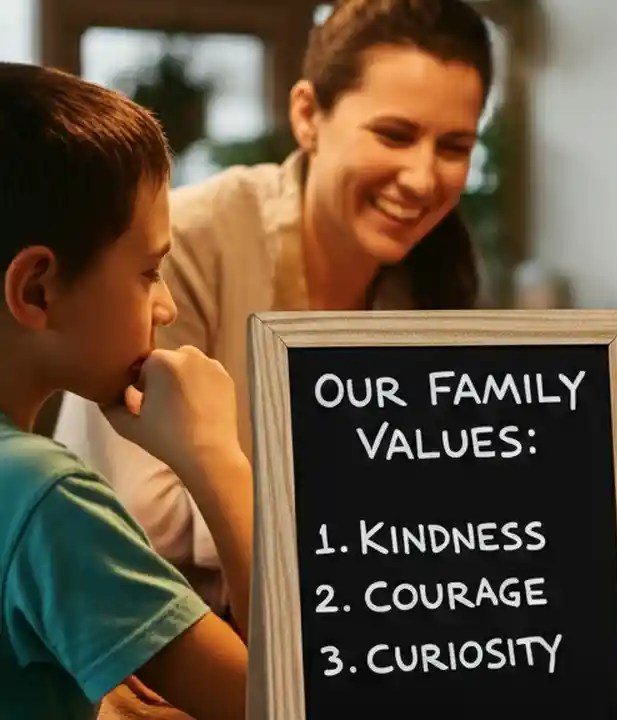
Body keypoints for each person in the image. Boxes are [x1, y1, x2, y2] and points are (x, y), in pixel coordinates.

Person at [54, 0, 493, 611]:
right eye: (394, 135)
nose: (422, 178)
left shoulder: (428, 285)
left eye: (454, 147)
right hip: (145, 648)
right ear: (308, 115)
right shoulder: (184, 241)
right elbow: (148, 519)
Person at [0, 62, 252, 720]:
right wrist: (215, 460)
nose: (165, 307)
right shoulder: (42, 496)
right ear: (36, 289)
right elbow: (295, 699)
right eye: (149, 271)